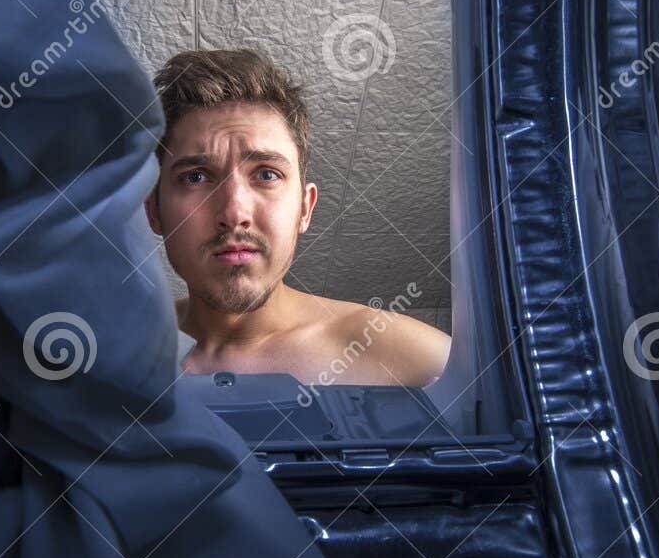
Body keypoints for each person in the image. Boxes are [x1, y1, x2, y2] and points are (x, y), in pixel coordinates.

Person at [144, 48, 451, 388]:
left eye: (266, 175)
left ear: (305, 208)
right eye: (196, 177)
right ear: (154, 211)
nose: (234, 213)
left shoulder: (414, 359)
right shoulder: (108, 354)